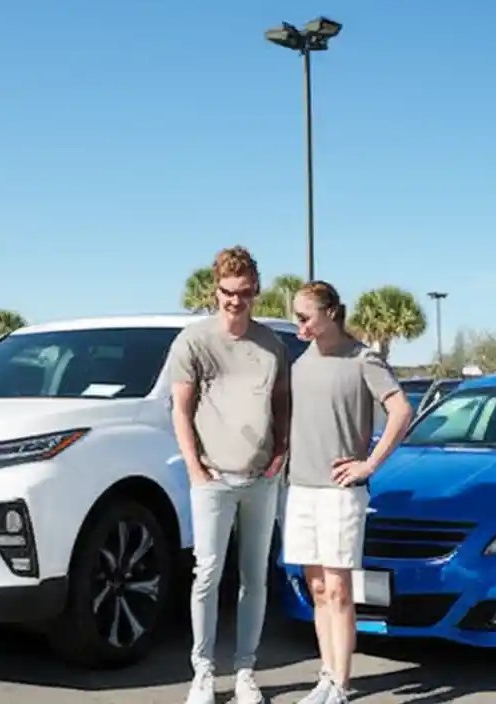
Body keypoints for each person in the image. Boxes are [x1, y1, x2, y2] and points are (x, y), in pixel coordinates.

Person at [167, 245, 290, 704]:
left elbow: (282, 404)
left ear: (255, 291)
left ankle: (245, 671)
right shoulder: (193, 341)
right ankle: (202, 671)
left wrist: (280, 452)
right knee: (207, 573)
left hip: (261, 478)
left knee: (254, 576)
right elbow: (180, 410)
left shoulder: (271, 345)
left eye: (243, 293)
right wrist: (196, 468)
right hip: (213, 479)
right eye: (227, 292)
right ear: (214, 290)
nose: (235, 301)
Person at [281, 280, 413, 704]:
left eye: (304, 316)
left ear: (331, 312)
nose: (298, 325)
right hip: (299, 489)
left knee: (339, 589)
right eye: (295, 317)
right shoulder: (300, 365)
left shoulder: (362, 359)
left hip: (341, 492)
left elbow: (400, 409)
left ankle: (341, 683)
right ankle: (326, 674)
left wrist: (369, 463)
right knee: (317, 588)